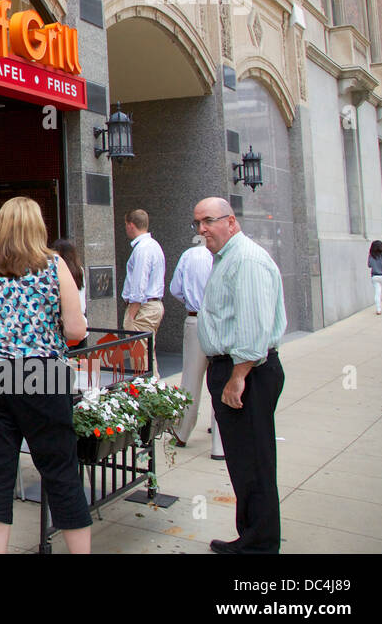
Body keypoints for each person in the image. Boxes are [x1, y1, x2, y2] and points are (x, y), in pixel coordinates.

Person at [0, 197, 90, 554]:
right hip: (39, 369)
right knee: (59, 466)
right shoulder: (54, 264)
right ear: (38, 226)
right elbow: (77, 330)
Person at [192, 197, 286, 554]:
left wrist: (238, 376)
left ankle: (259, 546)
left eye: (209, 221)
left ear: (230, 222)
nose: (202, 229)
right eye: (197, 222)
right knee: (245, 464)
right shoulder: (229, 258)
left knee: (254, 464)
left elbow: (253, 327)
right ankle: (251, 537)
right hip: (236, 370)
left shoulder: (245, 259)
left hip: (247, 373)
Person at [168, 237, 222, 454]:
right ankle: (220, 444)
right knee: (221, 378)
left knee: (191, 378)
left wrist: (192, 301)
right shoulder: (222, 256)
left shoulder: (189, 256)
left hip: (196, 318)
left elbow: (175, 289)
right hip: (220, 321)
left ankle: (182, 433)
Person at [121, 208, 165, 375]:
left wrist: (131, 315)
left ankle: (146, 393)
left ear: (131, 225)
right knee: (146, 356)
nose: (126, 228)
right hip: (151, 305)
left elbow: (139, 284)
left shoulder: (142, 249)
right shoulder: (153, 246)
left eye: (126, 225)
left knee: (140, 359)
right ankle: (153, 391)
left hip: (143, 308)